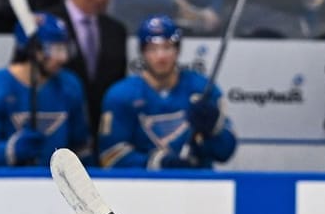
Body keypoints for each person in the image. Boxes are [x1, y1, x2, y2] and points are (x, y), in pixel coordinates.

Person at [98, 15, 236, 170]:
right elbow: (110, 156)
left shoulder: (202, 89)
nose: (161, 56)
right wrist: (158, 163)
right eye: (153, 49)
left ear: (177, 50)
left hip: (198, 185)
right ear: (142, 52)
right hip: (142, 189)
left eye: (167, 47)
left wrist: (213, 129)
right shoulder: (121, 95)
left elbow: (225, 153)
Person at [0, 12, 91, 167]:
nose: (63, 58)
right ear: (32, 50)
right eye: (55, 49)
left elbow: (81, 148)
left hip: (57, 186)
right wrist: (10, 151)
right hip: (6, 186)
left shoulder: (70, 85)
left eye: (65, 49)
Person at [46, 0, 129, 132]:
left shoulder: (116, 31)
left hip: (103, 134)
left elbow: (120, 86)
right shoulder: (46, 26)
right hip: (58, 129)